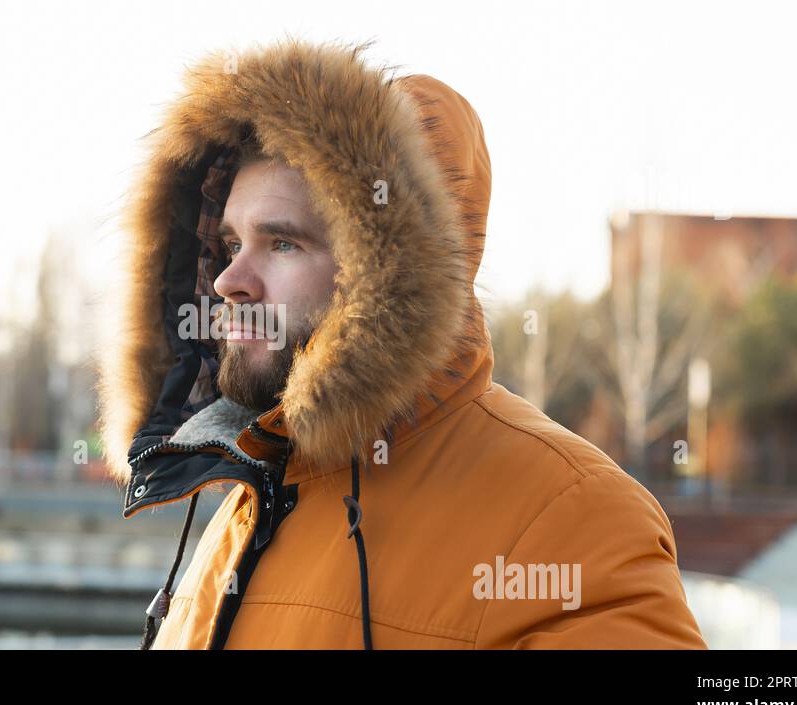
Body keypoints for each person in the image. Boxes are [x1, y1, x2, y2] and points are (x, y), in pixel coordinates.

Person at [99, 39, 707, 649]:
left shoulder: (571, 518)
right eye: (230, 245)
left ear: (381, 273)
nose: (229, 282)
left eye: (282, 243)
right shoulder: (250, 502)